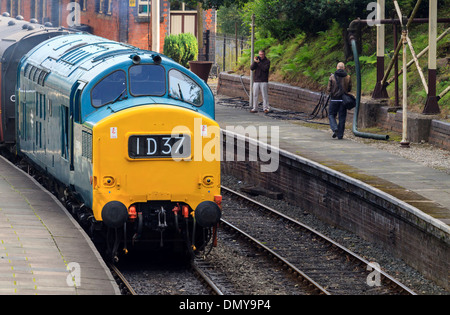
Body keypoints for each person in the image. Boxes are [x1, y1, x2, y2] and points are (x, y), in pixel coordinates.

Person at [327, 62, 352, 139]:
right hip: (343, 100)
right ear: (344, 68)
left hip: (334, 99)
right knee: (342, 117)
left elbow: (329, 89)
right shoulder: (348, 77)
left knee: (331, 114)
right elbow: (349, 89)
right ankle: (340, 135)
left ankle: (335, 128)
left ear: (337, 67)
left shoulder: (332, 77)